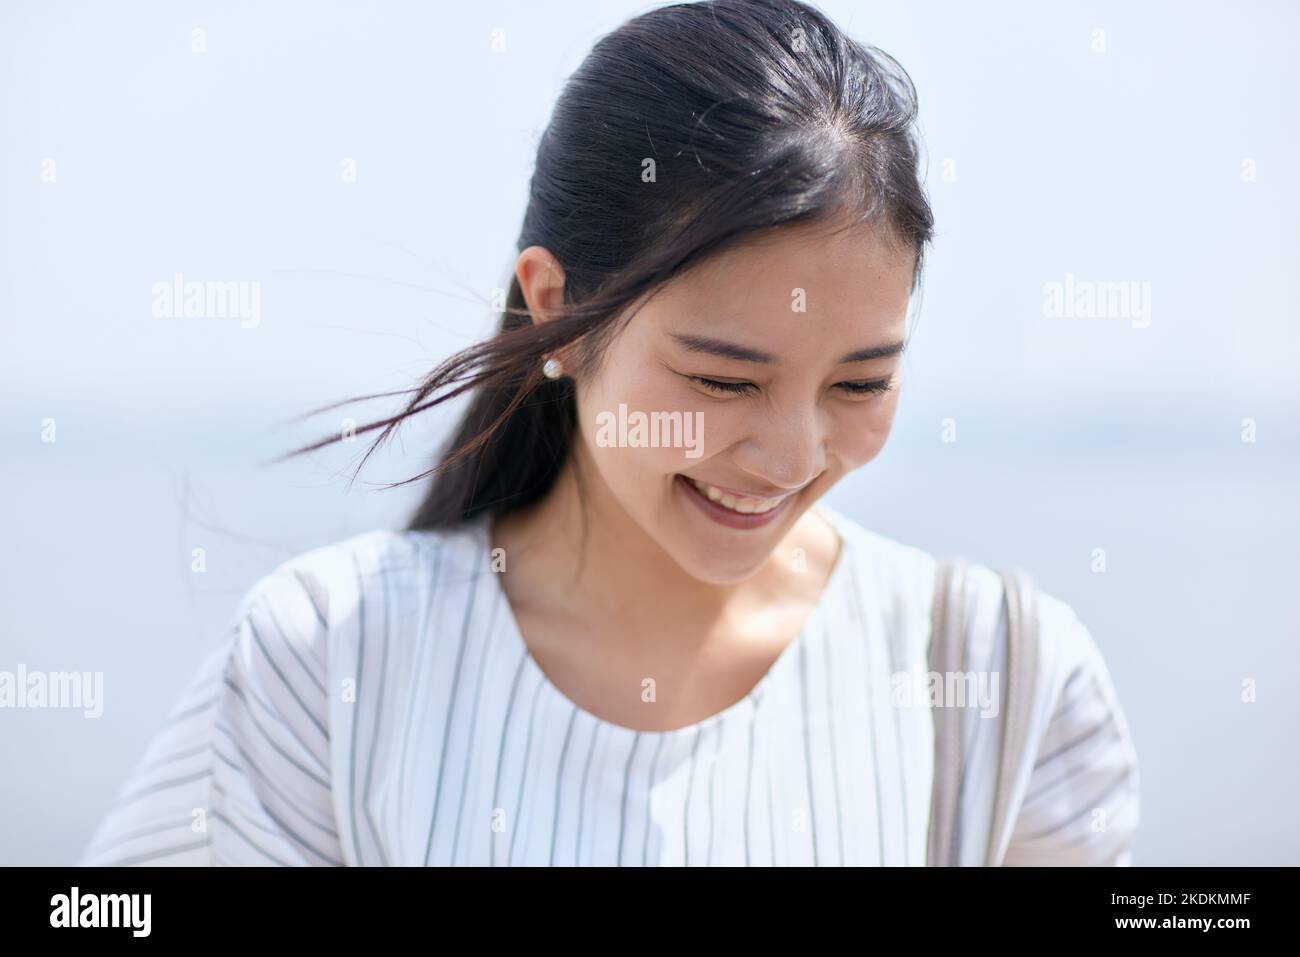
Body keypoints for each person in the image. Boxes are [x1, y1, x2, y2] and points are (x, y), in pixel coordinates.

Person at [78, 0, 1138, 867]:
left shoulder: (1002, 678)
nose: (790, 455)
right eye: (723, 380)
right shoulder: (332, 663)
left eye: (861, 383)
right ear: (556, 313)